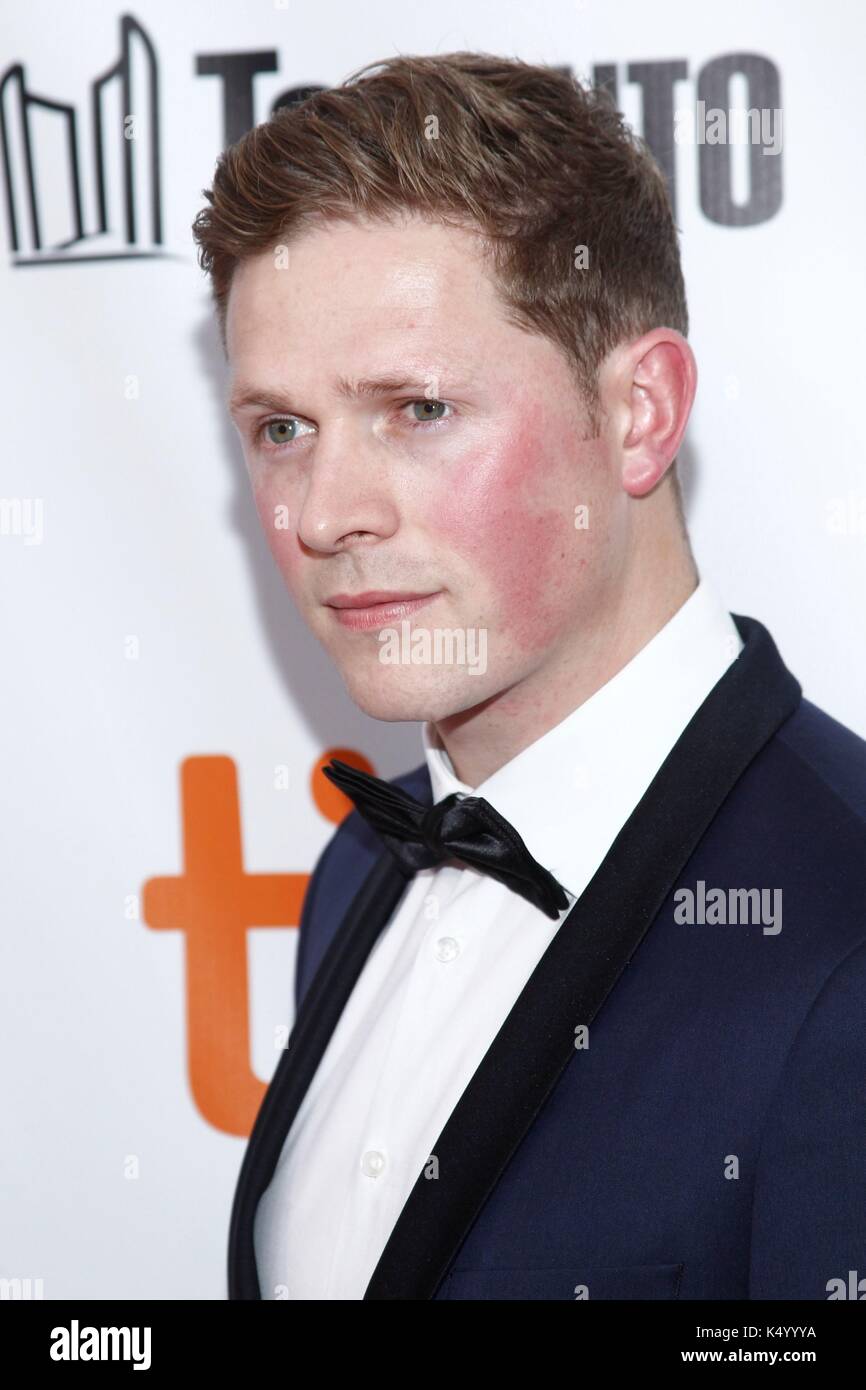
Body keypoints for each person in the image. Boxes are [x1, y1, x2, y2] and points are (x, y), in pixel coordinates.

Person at [192, 52, 866, 1301]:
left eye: (416, 408)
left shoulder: (845, 926)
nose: (325, 511)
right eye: (281, 429)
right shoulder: (356, 873)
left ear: (639, 414)